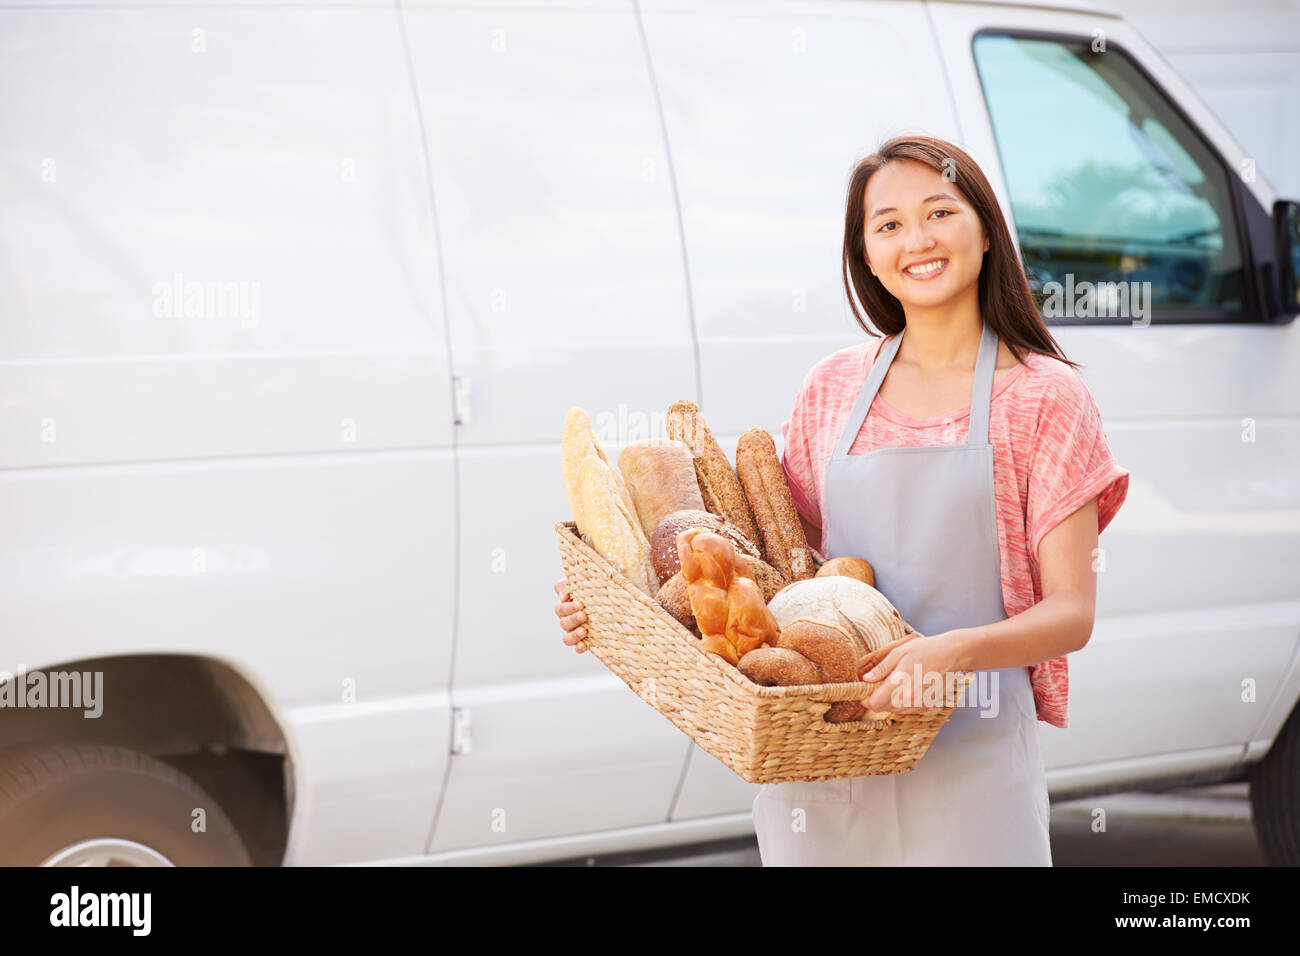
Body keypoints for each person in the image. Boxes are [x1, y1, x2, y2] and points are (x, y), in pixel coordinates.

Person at [553, 134, 1129, 866]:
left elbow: (1071, 612)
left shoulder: (1046, 398)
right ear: (865, 253)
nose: (915, 241)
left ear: (985, 231)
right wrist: (611, 606)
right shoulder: (834, 387)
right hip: (822, 759)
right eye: (887, 224)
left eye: (939, 213)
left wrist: (954, 652)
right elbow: (770, 573)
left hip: (973, 761)